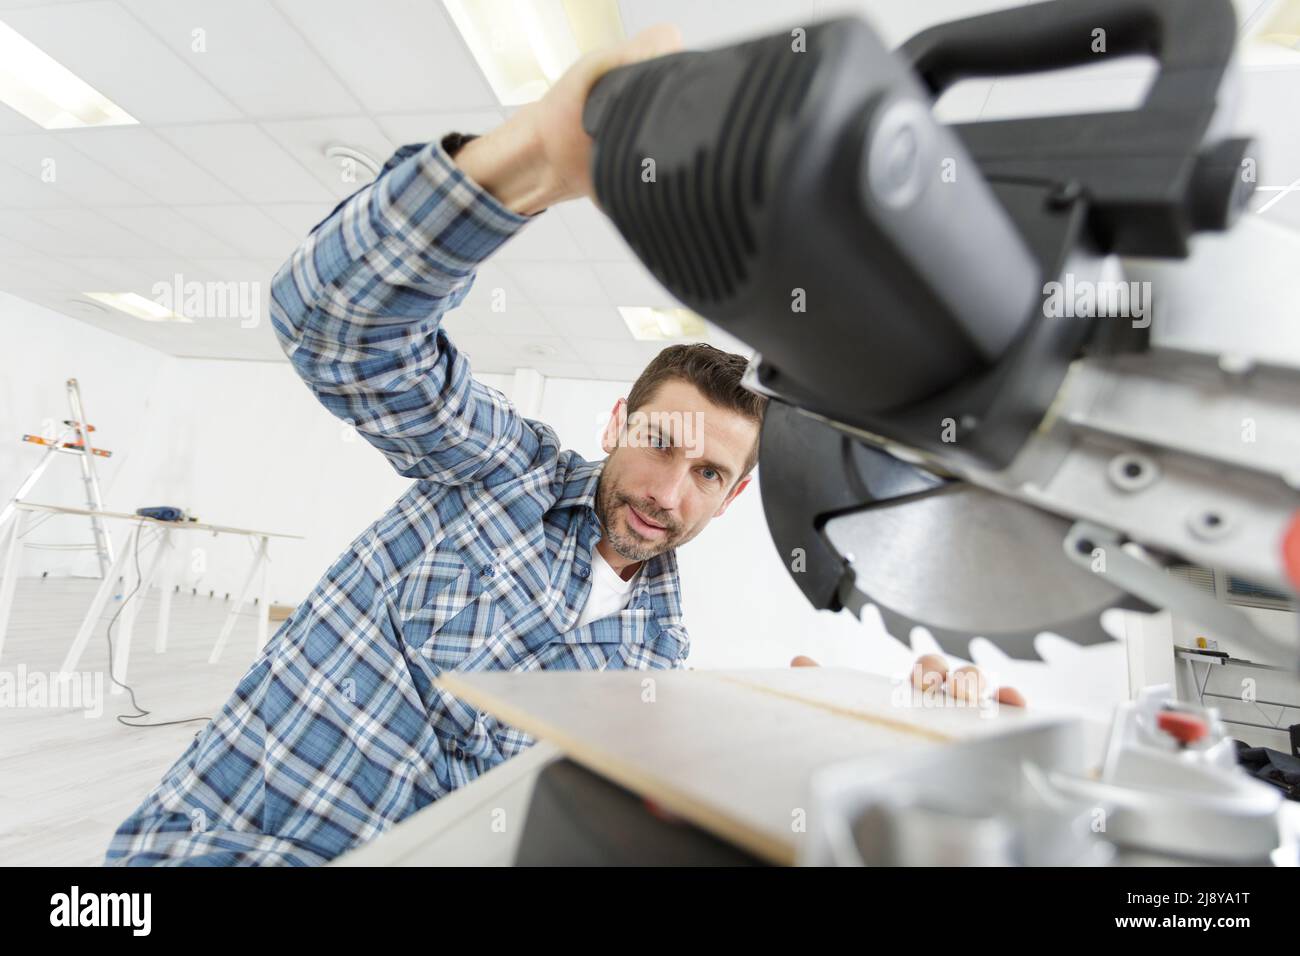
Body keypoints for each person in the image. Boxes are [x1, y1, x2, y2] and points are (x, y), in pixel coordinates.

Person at [105, 24, 1019, 866]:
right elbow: (337, 327)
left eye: (707, 472)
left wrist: (854, 741)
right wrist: (529, 160)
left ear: (736, 495)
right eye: (660, 444)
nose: (668, 492)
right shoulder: (497, 471)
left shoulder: (658, 651)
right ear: (616, 424)